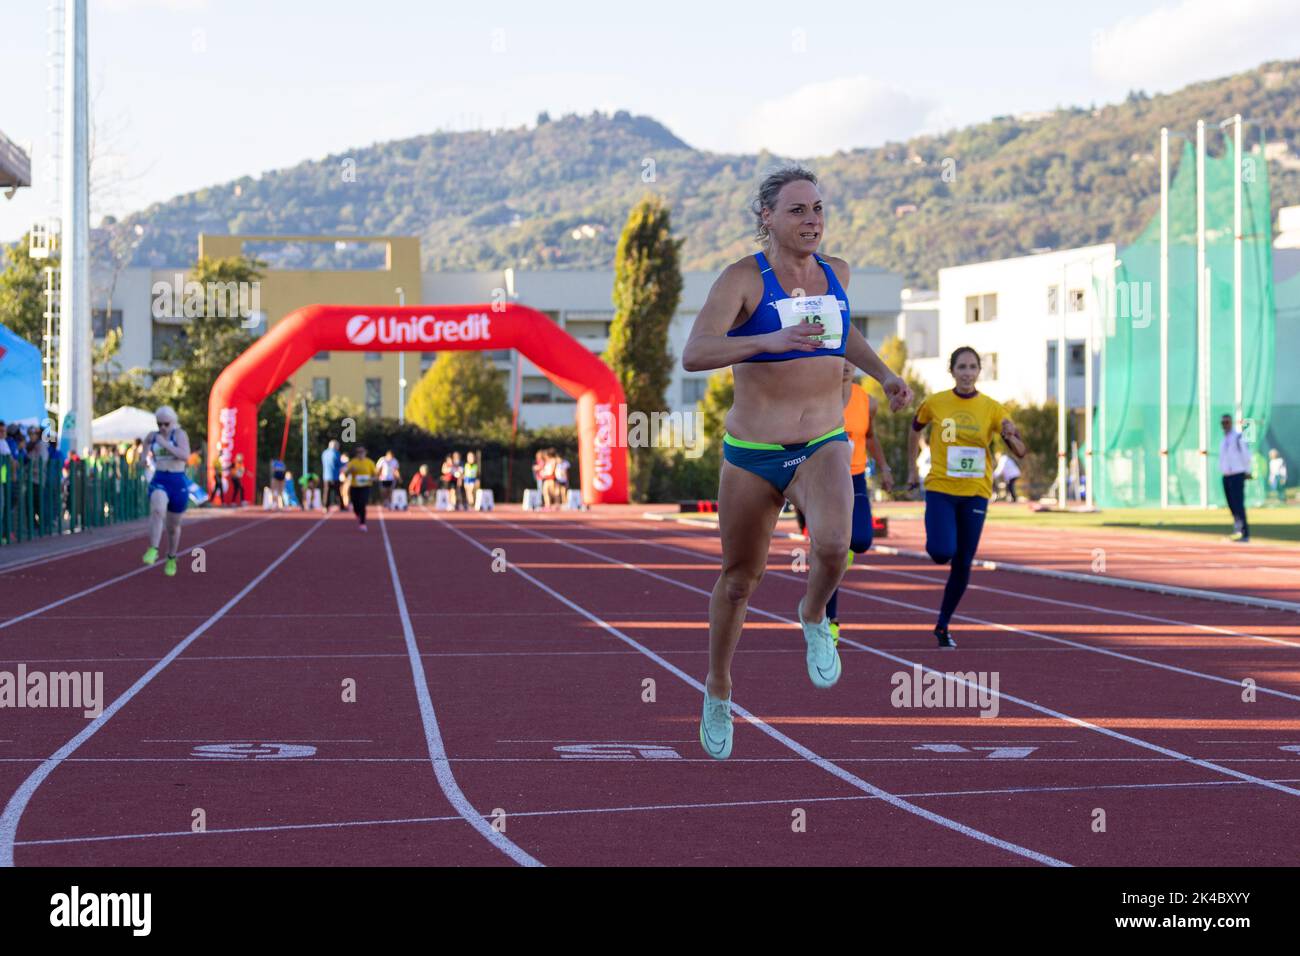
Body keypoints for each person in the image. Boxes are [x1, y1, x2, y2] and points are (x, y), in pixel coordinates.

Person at [680, 166, 912, 760]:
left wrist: (884, 376)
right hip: (754, 452)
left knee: (836, 547)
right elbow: (696, 352)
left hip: (822, 441)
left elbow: (844, 333)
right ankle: (719, 687)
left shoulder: (838, 273)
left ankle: (812, 616)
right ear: (768, 218)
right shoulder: (743, 281)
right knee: (738, 582)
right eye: (798, 211)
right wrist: (767, 341)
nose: (812, 221)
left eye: (817, 209)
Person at [907, 347, 1027, 648]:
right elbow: (914, 429)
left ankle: (943, 625)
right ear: (952, 371)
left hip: (976, 493)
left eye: (973, 367)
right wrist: (912, 469)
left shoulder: (993, 408)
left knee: (963, 563)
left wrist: (1011, 435)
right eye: (962, 366)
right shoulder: (935, 402)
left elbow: (1021, 451)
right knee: (941, 551)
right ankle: (937, 543)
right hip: (941, 488)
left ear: (979, 372)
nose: (967, 372)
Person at [141, 406, 192, 576]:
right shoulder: (153, 436)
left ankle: (171, 556)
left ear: (173, 422)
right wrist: (144, 452)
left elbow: (185, 455)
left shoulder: (179, 435)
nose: (162, 427)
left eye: (166, 424)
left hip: (177, 481)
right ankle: (153, 548)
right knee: (157, 510)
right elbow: (144, 453)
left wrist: (165, 445)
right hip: (160, 478)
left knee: (173, 527)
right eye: (159, 424)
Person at [1219, 413, 1252, 542]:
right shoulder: (1223, 440)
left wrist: (1247, 471)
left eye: (1227, 422)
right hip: (1226, 476)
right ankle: (1237, 527)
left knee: (1238, 504)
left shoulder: (1238, 437)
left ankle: (1245, 533)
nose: (1225, 425)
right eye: (1223, 423)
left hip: (1237, 475)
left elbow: (1246, 456)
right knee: (1231, 504)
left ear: (1231, 423)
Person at [342, 446, 376, 530]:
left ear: (365, 453)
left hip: (365, 486)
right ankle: (357, 513)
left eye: (362, 452)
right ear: (357, 454)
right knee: (355, 503)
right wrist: (350, 471)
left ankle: (363, 523)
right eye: (359, 452)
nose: (360, 454)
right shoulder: (353, 462)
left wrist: (371, 478)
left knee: (362, 503)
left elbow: (375, 475)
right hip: (354, 486)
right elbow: (345, 474)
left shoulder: (369, 462)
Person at [322, 439, 343, 512]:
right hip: (335, 476)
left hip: (326, 476)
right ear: (335, 446)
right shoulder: (336, 453)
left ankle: (325, 507)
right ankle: (341, 507)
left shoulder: (324, 453)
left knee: (326, 493)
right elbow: (339, 464)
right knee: (338, 493)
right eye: (337, 446)